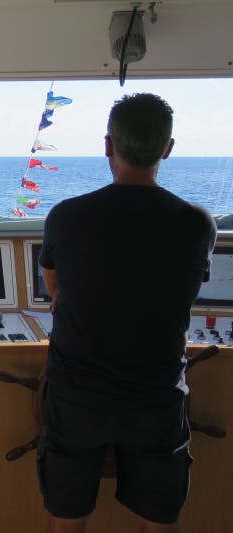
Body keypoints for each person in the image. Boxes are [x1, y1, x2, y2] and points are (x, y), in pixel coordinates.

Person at [37, 93, 216, 533]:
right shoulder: (198, 224)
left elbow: (55, 295)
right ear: (167, 149)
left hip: (77, 398)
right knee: (158, 521)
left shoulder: (66, 216)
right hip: (155, 399)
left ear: (107, 146)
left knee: (67, 520)